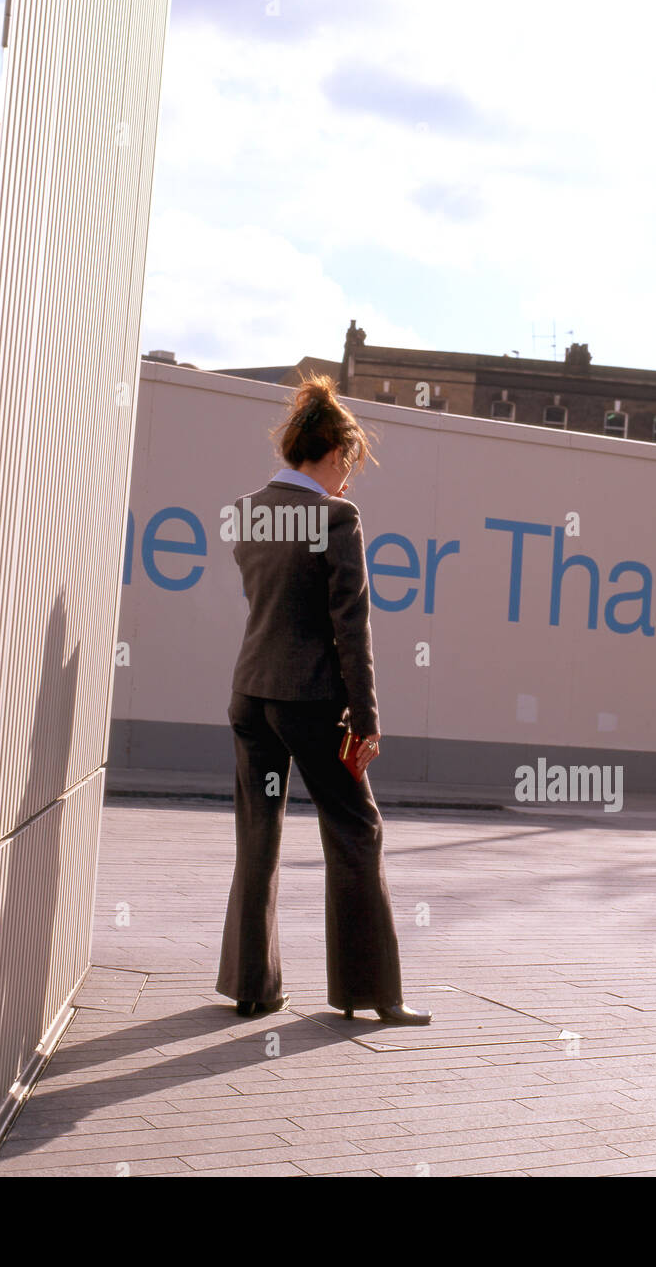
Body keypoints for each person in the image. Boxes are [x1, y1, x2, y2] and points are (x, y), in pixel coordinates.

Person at [216, 373, 432, 1025]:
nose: (349, 481)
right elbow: (350, 625)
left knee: (258, 836)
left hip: (249, 695)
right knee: (355, 830)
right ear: (337, 454)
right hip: (310, 700)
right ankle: (370, 995)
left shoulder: (248, 510)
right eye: (350, 467)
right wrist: (365, 720)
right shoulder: (335, 517)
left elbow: (274, 604)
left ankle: (251, 987)